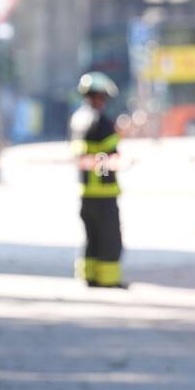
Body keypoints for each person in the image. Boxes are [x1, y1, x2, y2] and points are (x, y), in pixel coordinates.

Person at [70, 72, 125, 288]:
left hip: (84, 192)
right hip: (104, 192)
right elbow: (107, 156)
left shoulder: (77, 119)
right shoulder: (102, 121)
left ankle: (89, 276)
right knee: (110, 240)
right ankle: (109, 280)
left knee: (91, 238)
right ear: (100, 96)